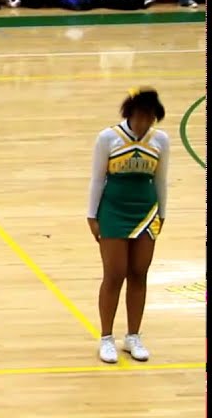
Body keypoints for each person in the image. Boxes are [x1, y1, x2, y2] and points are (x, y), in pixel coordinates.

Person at [88, 87, 170, 365]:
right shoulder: (108, 138)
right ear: (130, 113)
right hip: (112, 210)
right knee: (114, 274)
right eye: (141, 117)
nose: (145, 123)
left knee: (139, 273)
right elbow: (97, 179)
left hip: (147, 212)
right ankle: (106, 338)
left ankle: (133, 336)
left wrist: (163, 214)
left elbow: (161, 180)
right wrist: (92, 216)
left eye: (150, 118)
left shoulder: (161, 140)